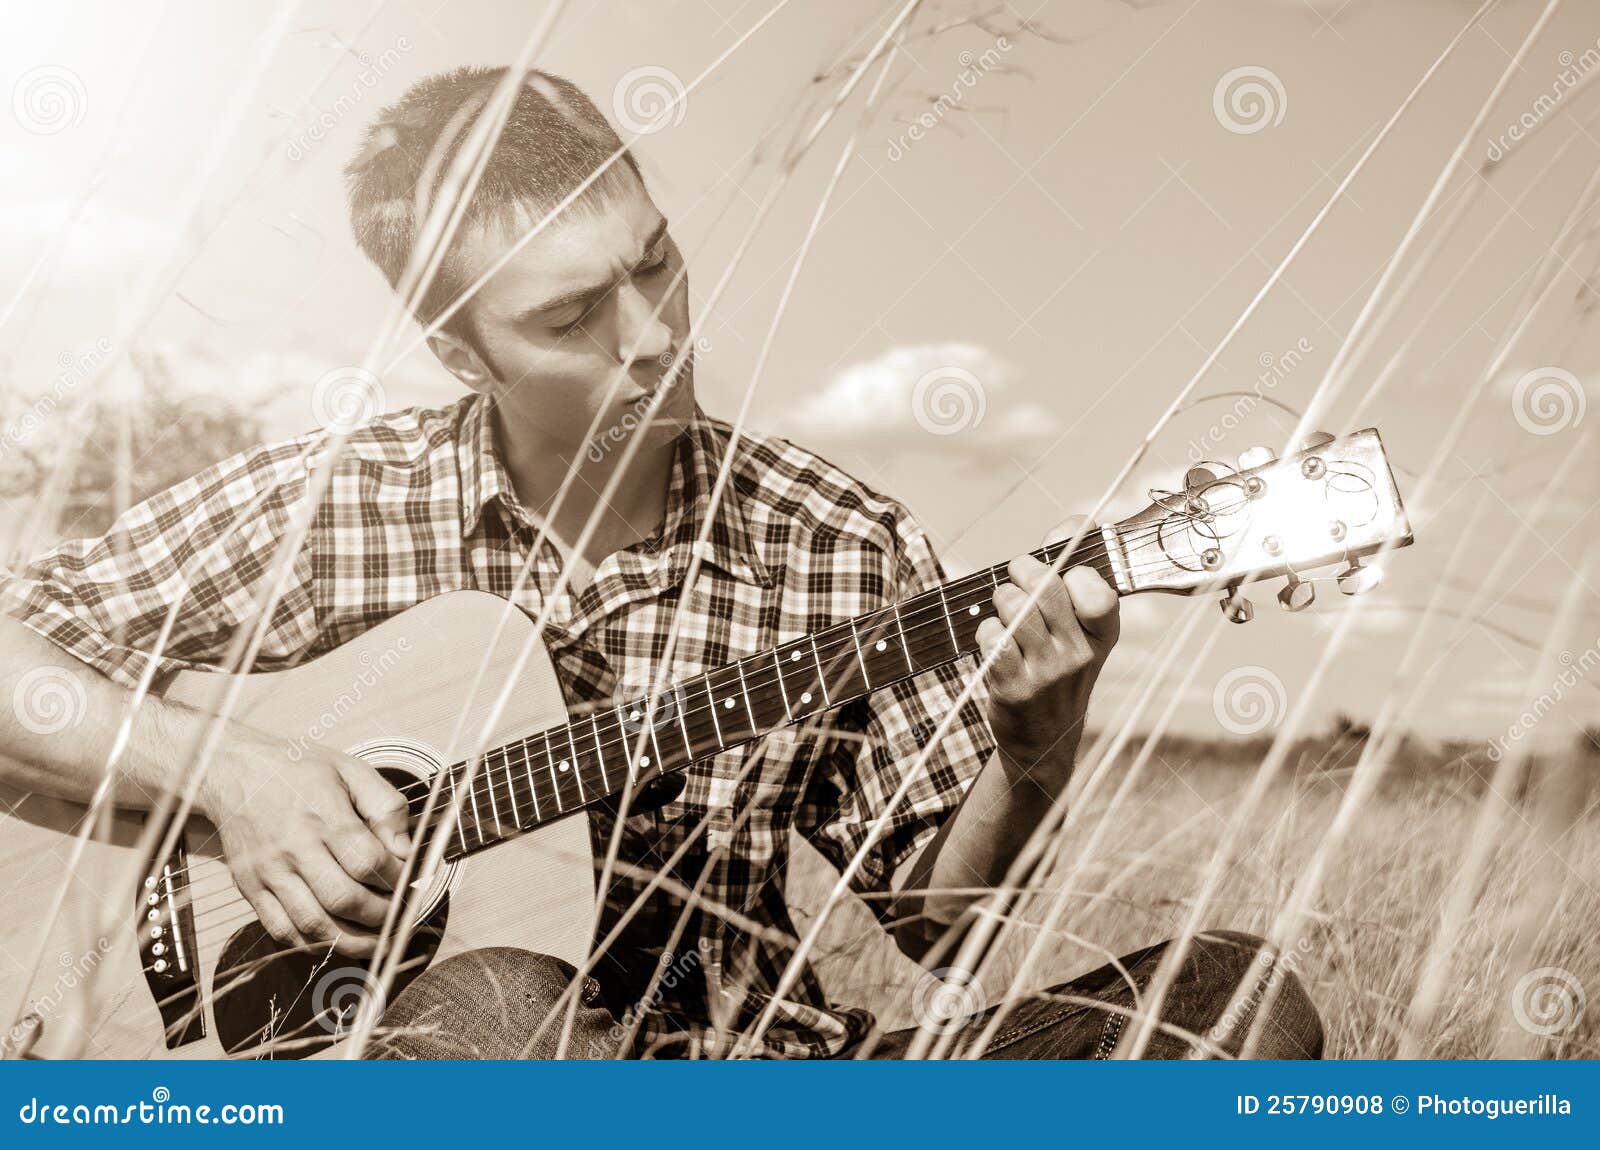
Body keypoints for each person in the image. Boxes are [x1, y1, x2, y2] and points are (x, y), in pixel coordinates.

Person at [0, 67, 1321, 1060]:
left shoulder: (836, 540)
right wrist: (230, 769)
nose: (652, 337)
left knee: (1237, 1006)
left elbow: (941, 921)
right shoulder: (335, 495)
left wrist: (1035, 748)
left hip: (751, 1069)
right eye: (572, 315)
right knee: (508, 1006)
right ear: (467, 358)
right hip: (393, 1067)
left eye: (657, 262)